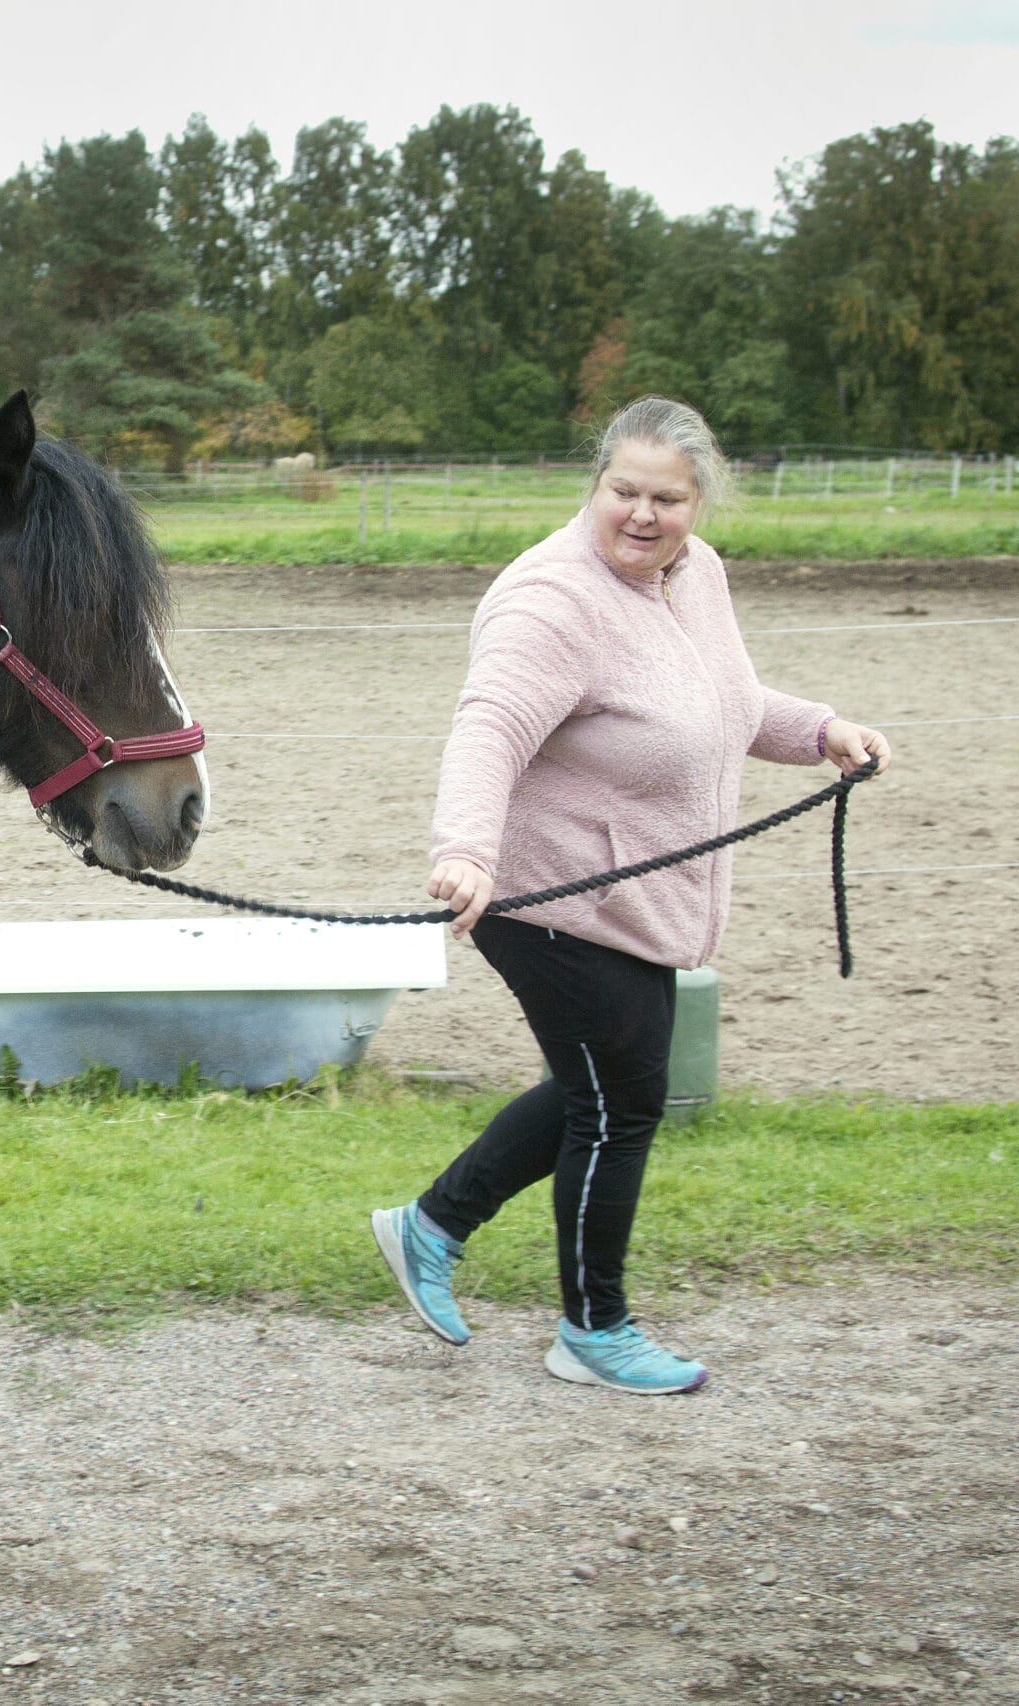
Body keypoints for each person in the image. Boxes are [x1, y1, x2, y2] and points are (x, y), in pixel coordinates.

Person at [370, 397, 890, 1394]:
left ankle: (429, 1226)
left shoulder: (696, 575)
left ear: (698, 504)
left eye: (668, 498)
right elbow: (488, 727)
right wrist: (466, 851)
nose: (643, 515)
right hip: (548, 897)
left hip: (638, 900)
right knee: (621, 1104)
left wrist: (820, 730)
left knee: (602, 1088)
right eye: (625, 491)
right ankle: (593, 1329)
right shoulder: (551, 601)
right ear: (596, 483)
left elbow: (724, 705)